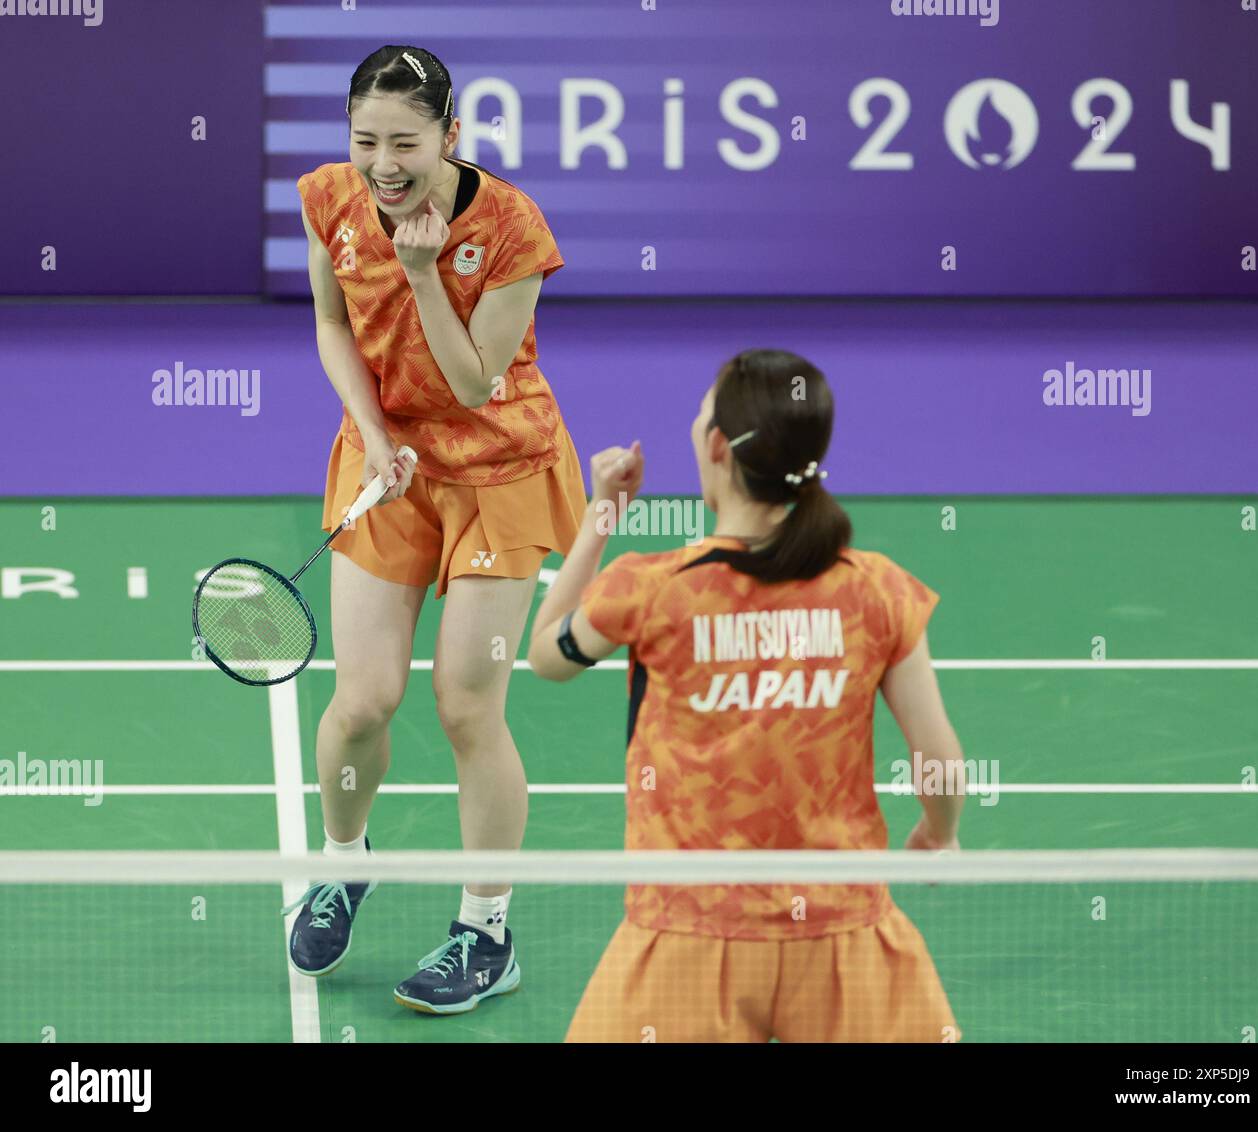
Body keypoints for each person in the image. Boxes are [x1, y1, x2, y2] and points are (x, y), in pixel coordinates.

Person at [528, 348, 965, 1042]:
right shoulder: (877, 589)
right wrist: (938, 835)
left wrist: (603, 513)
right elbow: (939, 760)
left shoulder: (652, 586)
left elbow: (545, 654)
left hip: (685, 938)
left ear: (716, 447)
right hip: (840, 938)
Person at [283, 45, 587, 1015]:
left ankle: (485, 931)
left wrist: (419, 273)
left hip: (497, 469)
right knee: (359, 702)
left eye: (405, 143)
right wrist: (371, 436)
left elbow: (469, 383)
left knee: (466, 707)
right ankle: (340, 862)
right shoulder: (327, 198)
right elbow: (332, 325)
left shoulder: (510, 228)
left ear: (451, 137)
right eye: (365, 139)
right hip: (387, 467)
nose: (382, 162)